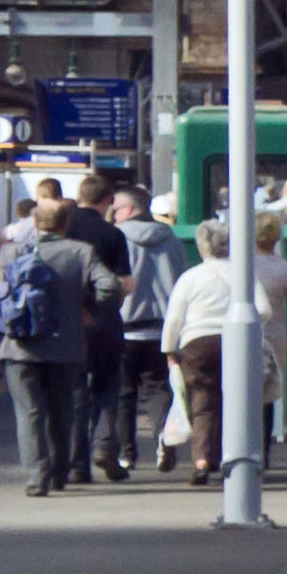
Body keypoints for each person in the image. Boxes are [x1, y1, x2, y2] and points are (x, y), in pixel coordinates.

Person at [167, 213, 287, 486]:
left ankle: (214, 455)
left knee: (211, 400)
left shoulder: (235, 268)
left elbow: (181, 313)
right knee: (262, 397)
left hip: (224, 337)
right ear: (277, 236)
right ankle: (260, 454)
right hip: (267, 341)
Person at [0, 209, 118, 495]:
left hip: (18, 347)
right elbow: (110, 286)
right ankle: (58, 473)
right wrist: (91, 311)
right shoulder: (81, 251)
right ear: (66, 224)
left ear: (36, 225)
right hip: (65, 347)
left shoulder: (11, 253)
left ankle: (36, 476)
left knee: (28, 412)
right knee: (61, 411)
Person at [49, 177, 134, 480]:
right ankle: (104, 445)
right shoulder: (112, 234)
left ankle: (75, 464)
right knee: (108, 385)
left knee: (73, 392)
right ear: (108, 200)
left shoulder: (63, 230)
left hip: (65, 323)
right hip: (104, 321)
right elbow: (125, 283)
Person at [108, 185, 182, 479]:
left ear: (128, 210)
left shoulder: (118, 238)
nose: (112, 216)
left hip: (125, 327)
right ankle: (163, 437)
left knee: (124, 393)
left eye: (115, 210)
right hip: (162, 328)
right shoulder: (171, 239)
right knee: (158, 388)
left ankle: (127, 454)